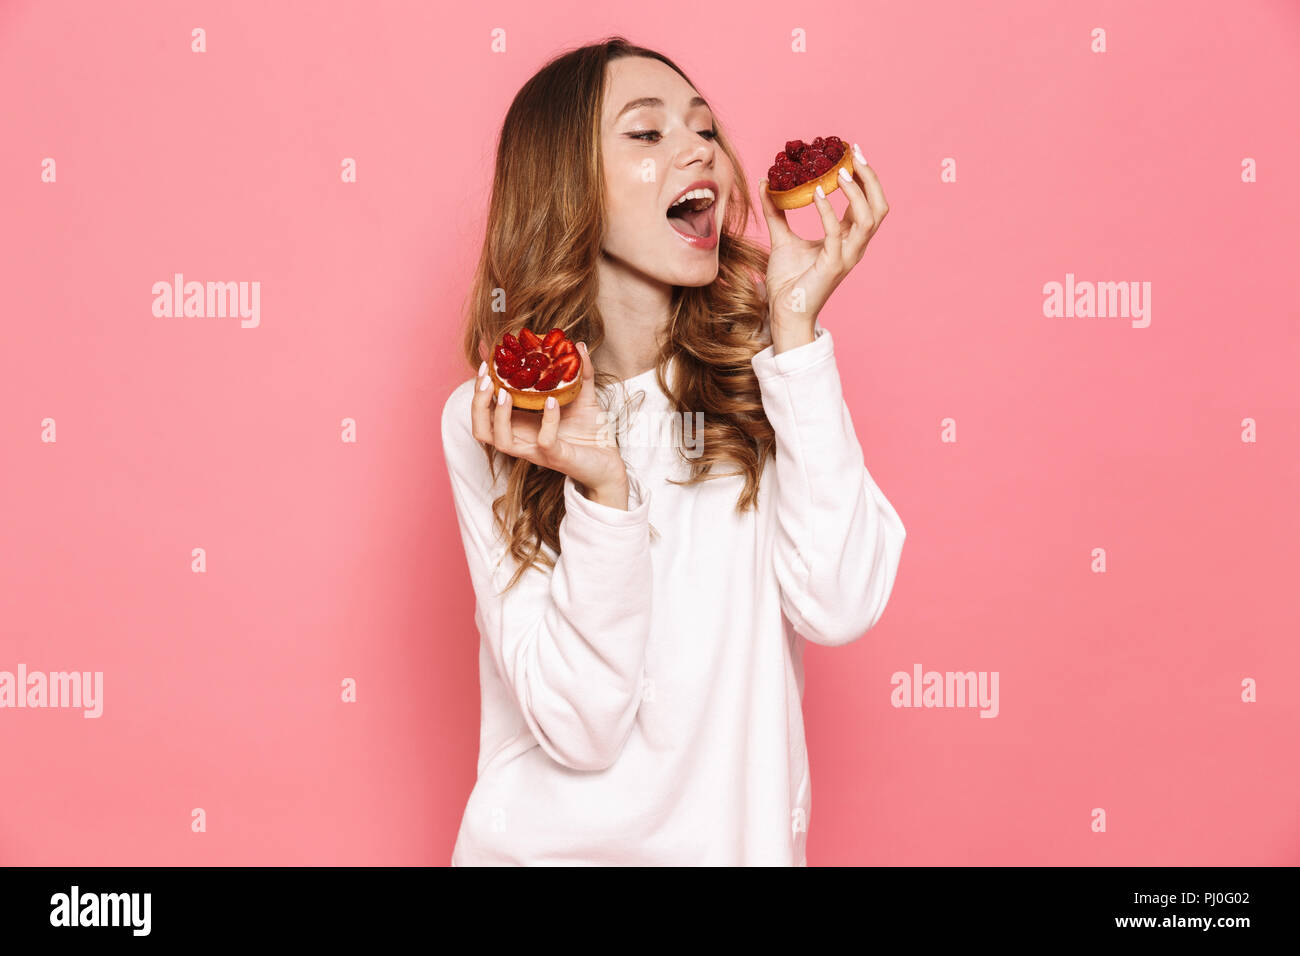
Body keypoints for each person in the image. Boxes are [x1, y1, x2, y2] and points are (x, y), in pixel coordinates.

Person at [440, 36, 905, 865]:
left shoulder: (767, 372)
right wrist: (605, 489)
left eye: (703, 129)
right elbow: (579, 727)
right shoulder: (494, 417)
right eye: (647, 134)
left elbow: (840, 602)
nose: (700, 148)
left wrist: (795, 334)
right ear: (567, 184)